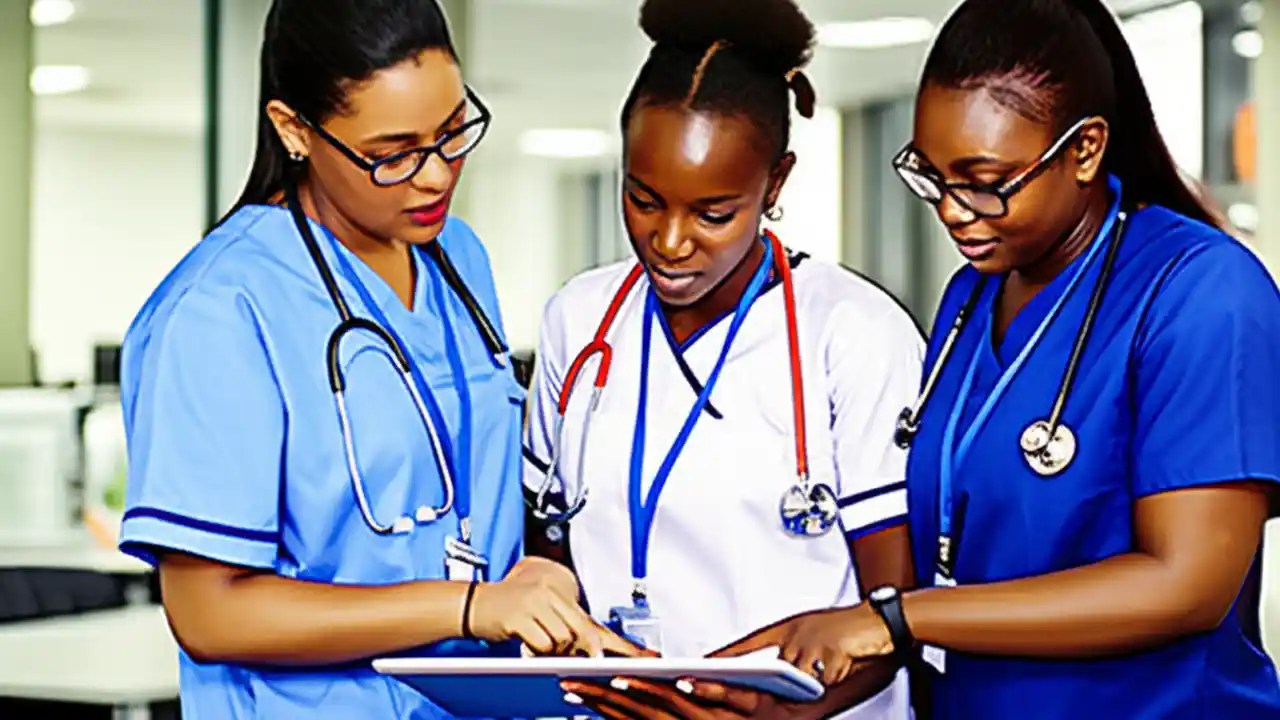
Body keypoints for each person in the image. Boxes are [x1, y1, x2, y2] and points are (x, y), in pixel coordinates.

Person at [725, 1, 1280, 718]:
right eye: (932, 176)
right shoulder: (971, 297)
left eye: (984, 181)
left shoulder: (1202, 290)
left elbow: (1187, 585)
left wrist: (900, 618)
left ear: (1085, 149)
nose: (952, 210)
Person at [116, 1, 629, 717]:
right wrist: (467, 606)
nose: (435, 176)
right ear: (294, 129)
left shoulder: (457, 258)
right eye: (394, 154)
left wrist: (536, 583)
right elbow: (209, 613)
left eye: (452, 133)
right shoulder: (219, 309)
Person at [520, 0, 924, 717]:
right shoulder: (578, 321)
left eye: (713, 214)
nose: (670, 242)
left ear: (776, 183)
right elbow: (549, 558)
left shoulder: (853, 333)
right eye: (643, 199)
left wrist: (777, 715)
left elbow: (896, 616)